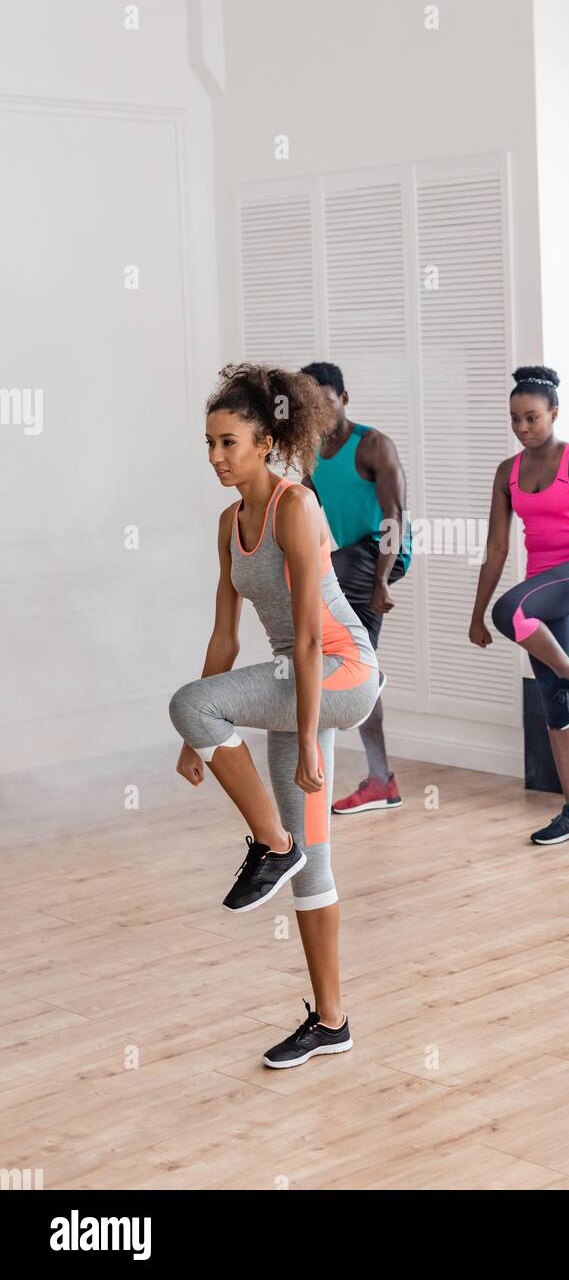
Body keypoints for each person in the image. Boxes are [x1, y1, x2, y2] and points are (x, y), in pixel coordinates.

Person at [168, 363, 384, 1068]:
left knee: (190, 705)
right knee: (314, 867)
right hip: (297, 684)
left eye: (228, 442)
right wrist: (199, 740)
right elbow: (227, 638)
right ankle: (331, 1020)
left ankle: (272, 846)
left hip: (340, 670)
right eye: (208, 444)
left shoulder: (296, 506)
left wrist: (311, 747)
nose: (215, 457)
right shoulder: (229, 524)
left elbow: (309, 634)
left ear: (266, 442)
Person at [469, 364, 569, 845]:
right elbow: (497, 549)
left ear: (553, 413)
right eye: (514, 419)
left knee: (510, 613)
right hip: (541, 586)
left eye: (532, 418)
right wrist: (475, 614)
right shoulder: (506, 473)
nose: (522, 428)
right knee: (556, 705)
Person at [300, 361, 411, 815]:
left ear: (344, 399)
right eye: (311, 407)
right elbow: (306, 501)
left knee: (333, 570)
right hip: (348, 562)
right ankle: (381, 779)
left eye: (327, 403)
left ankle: (363, 677)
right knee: (357, 655)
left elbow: (394, 518)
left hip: (383, 552)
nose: (321, 414)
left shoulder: (373, 445)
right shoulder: (310, 450)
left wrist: (383, 578)